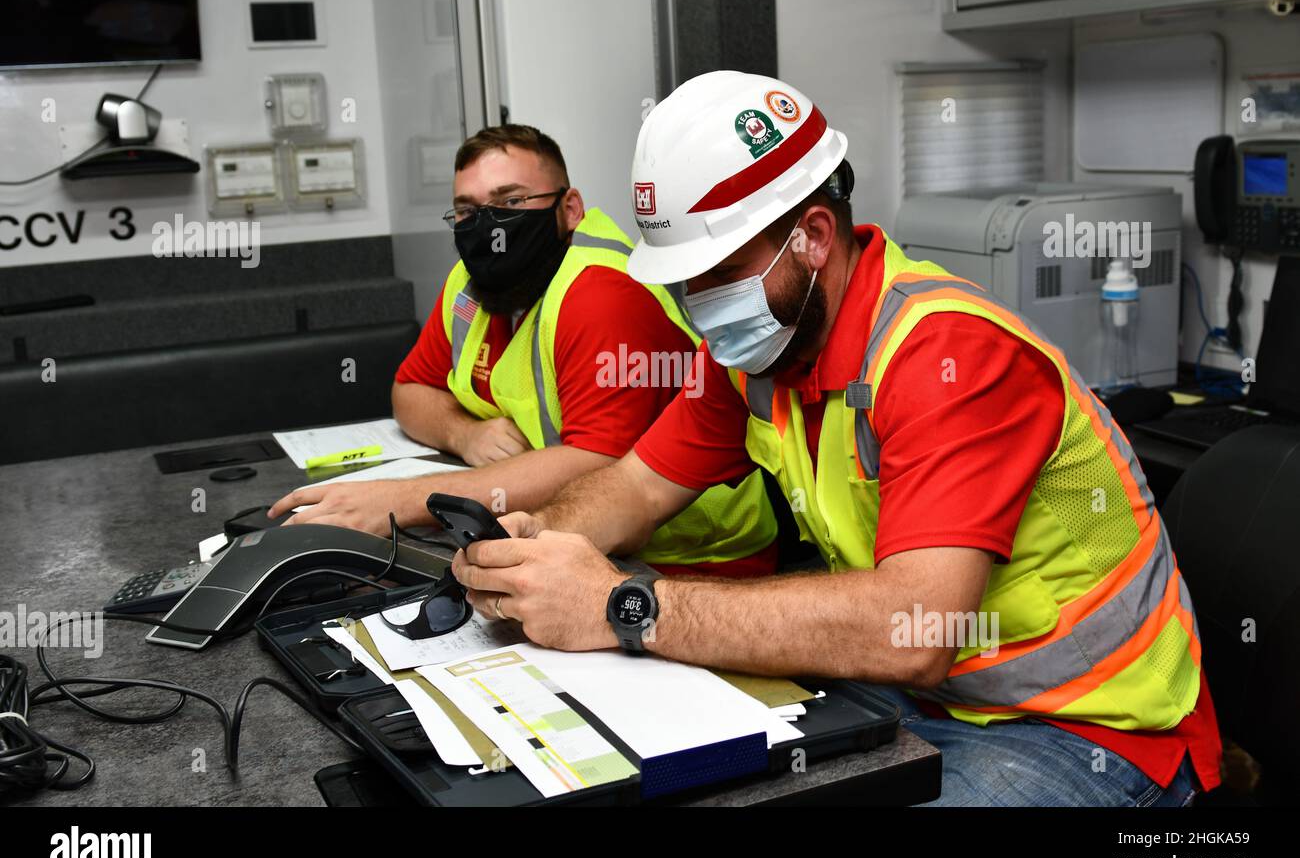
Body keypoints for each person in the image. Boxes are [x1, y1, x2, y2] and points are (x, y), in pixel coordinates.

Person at [448, 73, 1223, 806]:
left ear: (813, 235)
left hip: (1087, 727)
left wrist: (624, 607)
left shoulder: (950, 359)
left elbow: (912, 627)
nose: (697, 305)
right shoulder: (760, 352)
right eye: (684, 282)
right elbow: (640, 486)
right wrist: (534, 543)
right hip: (926, 696)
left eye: (718, 273)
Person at [271, 123, 776, 577]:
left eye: (510, 202)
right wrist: (463, 432)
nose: (486, 225)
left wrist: (401, 500)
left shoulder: (601, 295)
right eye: (468, 210)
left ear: (569, 208)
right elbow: (409, 390)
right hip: (567, 529)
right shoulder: (472, 286)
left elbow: (595, 462)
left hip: (690, 559)